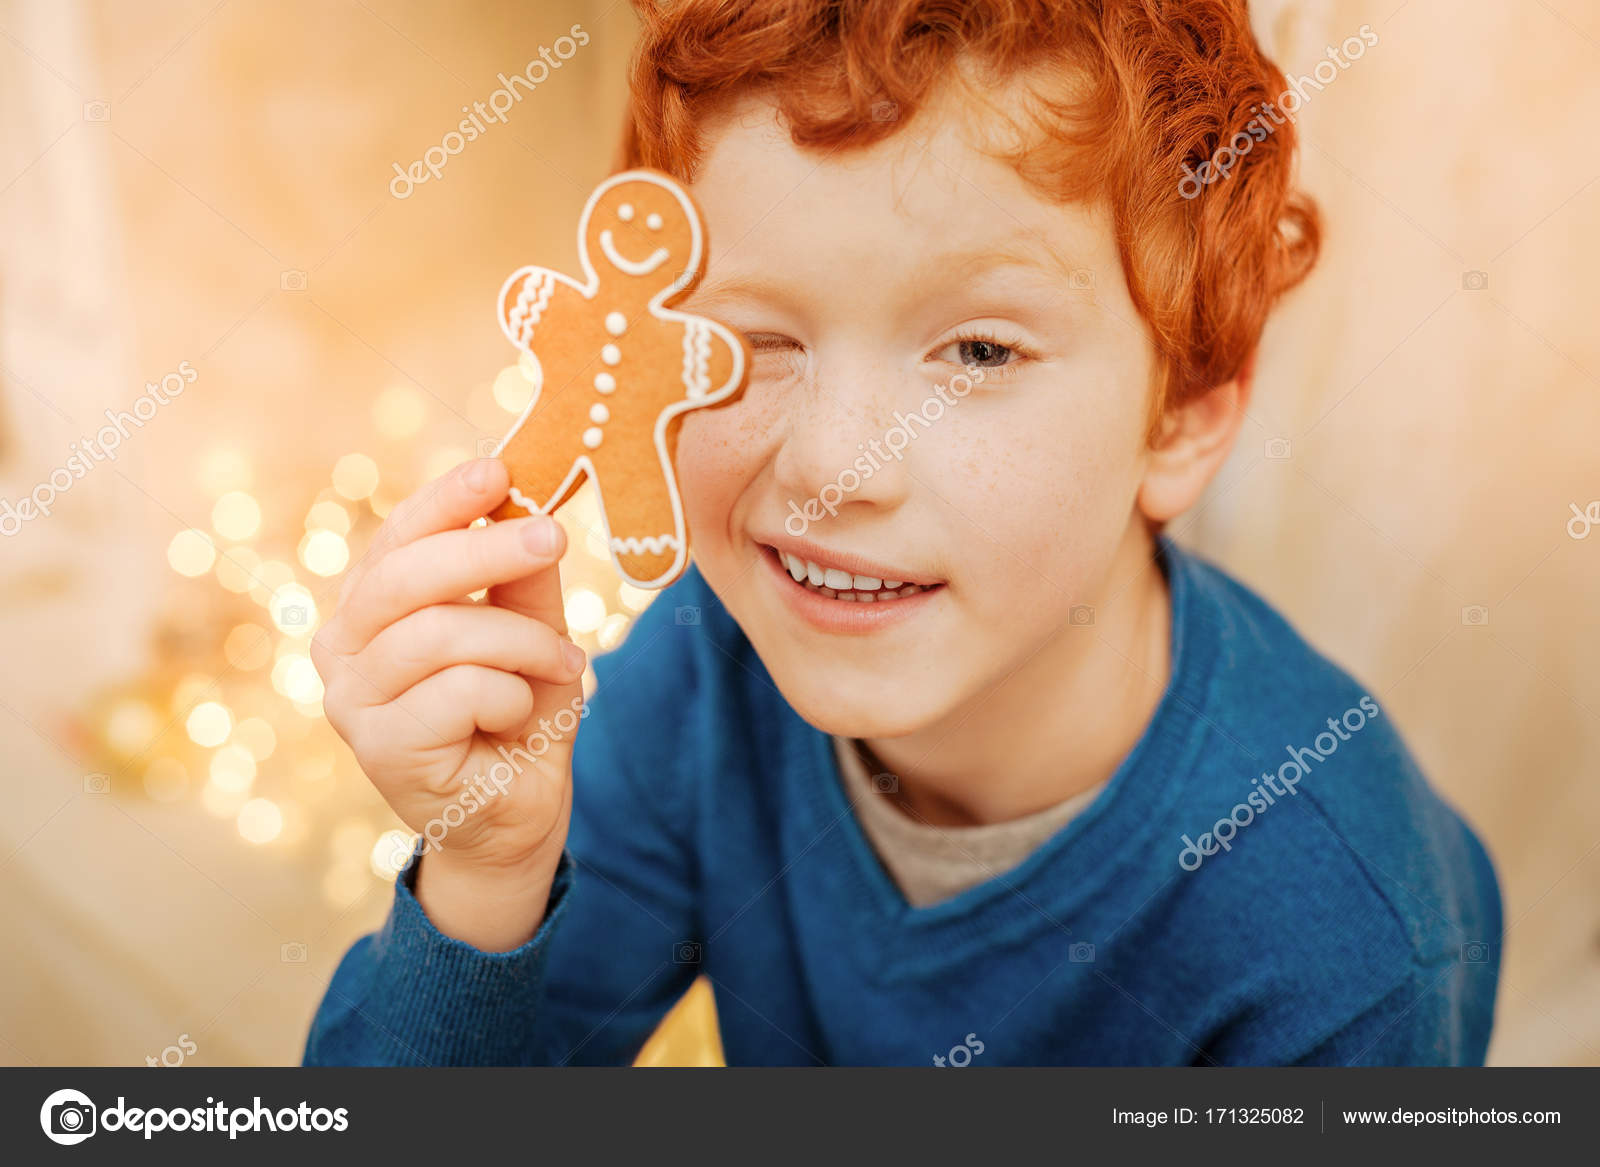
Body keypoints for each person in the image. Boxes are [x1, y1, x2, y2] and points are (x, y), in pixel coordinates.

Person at [304, 0, 1500, 1065]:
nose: (832, 467)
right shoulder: (702, 673)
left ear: (1181, 415)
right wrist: (489, 872)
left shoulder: (1344, 947)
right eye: (752, 342)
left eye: (979, 351)